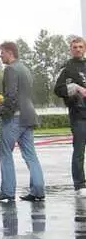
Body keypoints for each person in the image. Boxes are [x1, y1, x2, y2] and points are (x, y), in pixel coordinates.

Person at [0, 41, 45, 202]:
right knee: (30, 155)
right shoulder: (25, 69)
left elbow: (11, 97)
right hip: (29, 116)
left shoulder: (10, 69)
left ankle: (7, 191)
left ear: (10, 52)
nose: (0, 56)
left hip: (14, 118)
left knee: (5, 154)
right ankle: (38, 191)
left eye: (2, 52)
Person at [54, 37, 86, 196]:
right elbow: (58, 89)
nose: (78, 49)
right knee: (79, 151)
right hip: (79, 114)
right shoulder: (67, 68)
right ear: (70, 49)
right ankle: (80, 185)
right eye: (75, 47)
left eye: (81, 47)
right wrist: (75, 88)